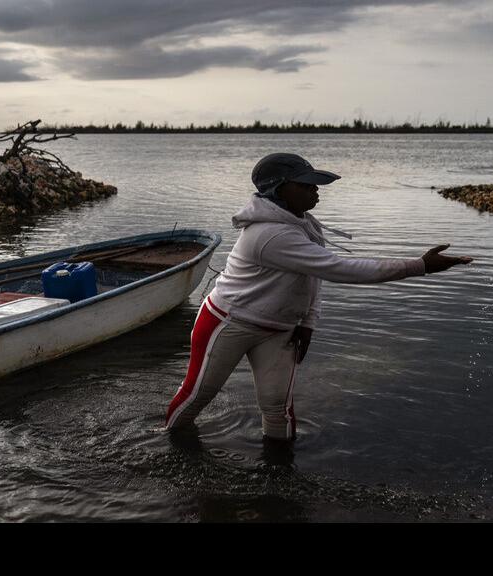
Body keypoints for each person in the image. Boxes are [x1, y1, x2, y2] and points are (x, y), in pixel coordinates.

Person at [164, 153, 473, 441]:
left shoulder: (304, 225)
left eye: (315, 184)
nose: (316, 190)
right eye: (306, 184)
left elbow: (312, 277)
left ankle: (278, 477)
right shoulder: (271, 235)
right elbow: (341, 269)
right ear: (280, 189)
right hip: (229, 323)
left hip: (280, 328)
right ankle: (168, 447)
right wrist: (420, 266)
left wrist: (308, 322)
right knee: (197, 396)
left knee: (277, 407)